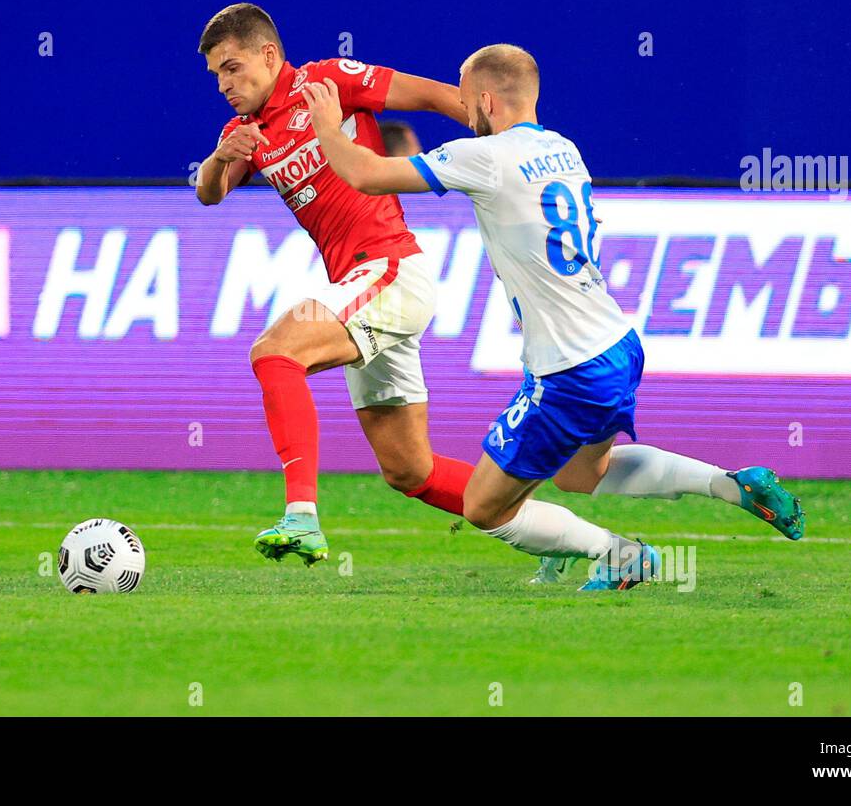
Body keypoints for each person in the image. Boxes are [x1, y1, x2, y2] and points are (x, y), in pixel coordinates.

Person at [299, 43, 805, 590]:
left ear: (486, 100)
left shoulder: (486, 156)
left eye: (467, 100)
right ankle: (732, 483)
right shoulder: (564, 149)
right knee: (583, 473)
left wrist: (328, 125)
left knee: (483, 506)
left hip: (568, 367)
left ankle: (618, 555)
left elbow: (368, 175)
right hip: (616, 343)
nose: (464, 112)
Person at [195, 3, 473, 566]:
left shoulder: (327, 82)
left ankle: (302, 516)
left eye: (232, 67)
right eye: (216, 75)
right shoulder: (244, 132)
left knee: (275, 354)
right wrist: (218, 158)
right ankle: (564, 534)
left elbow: (431, 95)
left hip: (389, 269)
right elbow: (211, 192)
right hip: (358, 285)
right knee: (410, 469)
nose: (224, 84)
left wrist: (501, 138)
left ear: (269, 55)